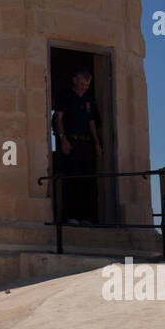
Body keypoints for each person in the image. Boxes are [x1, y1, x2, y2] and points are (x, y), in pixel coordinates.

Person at [52, 70, 102, 225]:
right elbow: (58, 118)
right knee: (70, 179)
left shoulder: (89, 99)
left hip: (86, 143)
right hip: (70, 142)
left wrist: (97, 143)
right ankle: (70, 217)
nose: (83, 87)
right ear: (74, 80)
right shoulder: (65, 96)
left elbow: (91, 122)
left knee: (87, 180)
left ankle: (86, 217)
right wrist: (62, 139)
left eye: (87, 85)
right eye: (81, 83)